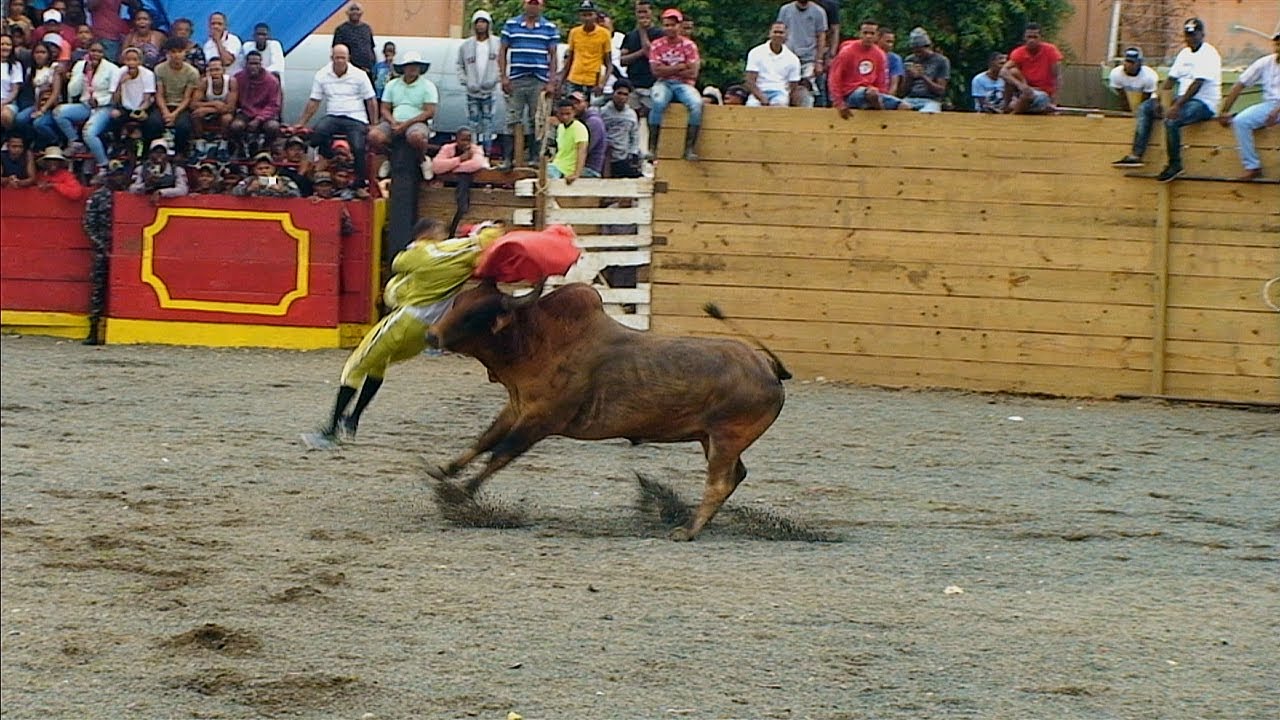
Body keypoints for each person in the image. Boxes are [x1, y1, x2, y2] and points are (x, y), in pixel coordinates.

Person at [302, 218, 504, 449]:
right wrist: (481, 232)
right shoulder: (462, 254)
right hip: (426, 331)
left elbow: (399, 263)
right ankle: (353, 417)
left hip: (406, 320)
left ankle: (330, 431)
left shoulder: (423, 252)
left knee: (355, 366)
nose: (444, 234)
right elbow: (483, 241)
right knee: (379, 363)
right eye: (441, 231)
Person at [1112, 18, 1221, 182]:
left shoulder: (1209, 54)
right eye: (1187, 35)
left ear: (1202, 34)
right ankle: (1136, 155)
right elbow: (1170, 80)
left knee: (1172, 120)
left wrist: (1176, 106)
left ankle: (1175, 164)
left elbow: (1197, 84)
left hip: (1204, 103)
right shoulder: (1184, 54)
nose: (1190, 38)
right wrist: (1157, 98)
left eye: (1194, 34)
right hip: (1183, 100)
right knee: (1145, 108)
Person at [292, 44, 377, 191]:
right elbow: (314, 101)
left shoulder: (360, 75)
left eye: (343, 58)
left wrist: (373, 123)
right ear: (331, 58)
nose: (340, 61)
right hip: (333, 115)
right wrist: (301, 122)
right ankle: (314, 165)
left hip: (356, 117)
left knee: (358, 146)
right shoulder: (322, 74)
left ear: (348, 58)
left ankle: (360, 180)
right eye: (337, 58)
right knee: (317, 133)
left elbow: (371, 100)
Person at [497, 0, 559, 170]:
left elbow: (553, 56)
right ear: (524, 5)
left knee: (536, 119)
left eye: (536, 4)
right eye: (530, 3)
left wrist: (551, 81)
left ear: (541, 6)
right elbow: (502, 51)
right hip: (516, 78)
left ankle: (534, 158)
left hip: (538, 79)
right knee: (512, 118)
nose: (533, 6)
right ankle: (508, 158)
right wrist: (503, 77)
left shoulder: (549, 27)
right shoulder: (511, 25)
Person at [1217, 33, 1280, 182]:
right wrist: (1224, 110)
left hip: (1276, 108)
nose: (1279, 48)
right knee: (1241, 121)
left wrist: (1277, 111)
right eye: (1277, 44)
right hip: (1270, 104)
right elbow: (1240, 84)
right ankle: (1253, 166)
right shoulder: (1265, 62)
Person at [81, 157, 130, 345]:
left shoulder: (130, 196)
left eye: (120, 175)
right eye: (114, 175)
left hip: (125, 252)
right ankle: (93, 329)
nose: (117, 178)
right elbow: (88, 224)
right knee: (98, 289)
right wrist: (102, 246)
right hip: (103, 249)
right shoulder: (97, 197)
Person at [368, 49, 437, 180]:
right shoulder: (392, 85)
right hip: (394, 121)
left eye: (416, 65)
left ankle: (423, 160)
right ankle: (389, 158)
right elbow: (384, 108)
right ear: (404, 68)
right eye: (410, 65)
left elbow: (430, 112)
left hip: (417, 122)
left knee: (416, 137)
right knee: (373, 136)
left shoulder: (428, 86)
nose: (413, 68)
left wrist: (405, 124)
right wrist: (392, 121)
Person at [647, 7, 702, 161]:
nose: (670, 28)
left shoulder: (689, 45)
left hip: (684, 84)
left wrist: (666, 69)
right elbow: (655, 72)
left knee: (696, 104)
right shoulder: (656, 44)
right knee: (658, 102)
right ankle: (653, 147)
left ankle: (689, 148)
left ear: (679, 25)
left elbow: (693, 72)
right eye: (667, 25)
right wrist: (680, 67)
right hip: (663, 83)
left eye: (673, 24)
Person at [53, 40, 117, 167]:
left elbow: (115, 94)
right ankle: (75, 142)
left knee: (88, 132)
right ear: (88, 52)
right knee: (58, 112)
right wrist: (83, 74)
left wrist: (99, 101)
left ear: (104, 53)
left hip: (104, 107)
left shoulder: (112, 69)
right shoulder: (80, 65)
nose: (95, 54)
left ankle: (103, 164)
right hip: (85, 106)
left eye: (99, 52)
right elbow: (73, 91)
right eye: (93, 51)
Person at [828, 18, 894, 115]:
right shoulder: (847, 52)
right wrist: (838, 102)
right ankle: (882, 114)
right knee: (872, 93)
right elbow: (834, 78)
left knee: (905, 106)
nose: (868, 36)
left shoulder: (880, 55)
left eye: (872, 33)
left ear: (877, 36)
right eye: (865, 33)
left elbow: (882, 82)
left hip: (874, 95)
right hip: (850, 93)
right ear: (860, 34)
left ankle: (877, 110)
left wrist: (883, 96)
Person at [431, 126, 489, 235]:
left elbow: (475, 164)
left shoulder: (475, 149)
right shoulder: (447, 148)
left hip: (469, 184)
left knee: (464, 176)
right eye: (463, 140)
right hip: (449, 186)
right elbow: (436, 166)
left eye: (468, 140)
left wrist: (451, 169)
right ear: (456, 139)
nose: (466, 143)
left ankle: (462, 210)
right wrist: (460, 159)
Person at [619, 1, 663, 145]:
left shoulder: (659, 34)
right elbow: (622, 60)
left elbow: (651, 53)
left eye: (645, 12)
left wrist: (643, 32)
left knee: (653, 120)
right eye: (639, 12)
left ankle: (652, 149)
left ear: (652, 13)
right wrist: (640, 53)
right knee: (630, 120)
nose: (642, 15)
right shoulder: (630, 36)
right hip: (633, 84)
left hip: (652, 83)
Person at [457, 10, 500, 155]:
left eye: (484, 22)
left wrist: (495, 79)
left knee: (488, 123)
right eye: (478, 22)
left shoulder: (497, 43)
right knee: (472, 123)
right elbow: (459, 65)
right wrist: (466, 81)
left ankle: (487, 153)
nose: (481, 25)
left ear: (489, 25)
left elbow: (504, 63)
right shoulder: (466, 46)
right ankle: (473, 152)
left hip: (490, 90)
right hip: (472, 91)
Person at [775, 0, 827, 108]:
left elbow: (821, 36)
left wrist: (819, 61)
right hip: (788, 58)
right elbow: (780, 32)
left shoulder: (819, 12)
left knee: (807, 89)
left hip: (808, 59)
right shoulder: (785, 10)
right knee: (784, 88)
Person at [1002, 23, 1061, 114]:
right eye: (1029, 37)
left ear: (1041, 38)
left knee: (1028, 96)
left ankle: (1013, 113)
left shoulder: (1051, 50)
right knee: (1012, 71)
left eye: (1035, 37)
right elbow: (1003, 71)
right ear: (1024, 38)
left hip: (1042, 93)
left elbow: (1057, 77)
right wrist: (1020, 85)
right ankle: (1006, 107)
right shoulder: (1019, 52)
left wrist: (1054, 101)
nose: (1031, 40)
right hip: (1025, 90)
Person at [153, 36, 199, 155]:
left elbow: (187, 97)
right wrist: (165, 112)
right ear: (168, 53)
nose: (176, 55)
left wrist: (174, 114)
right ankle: (155, 153)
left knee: (183, 126)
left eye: (180, 51)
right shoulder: (159, 69)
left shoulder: (192, 72)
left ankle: (180, 154)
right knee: (153, 123)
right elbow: (159, 94)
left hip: (181, 107)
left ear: (185, 52)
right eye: (173, 52)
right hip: (164, 105)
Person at [14, 40, 62, 147]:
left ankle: (55, 140)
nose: (39, 55)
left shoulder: (54, 68)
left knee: (38, 123)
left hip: (51, 106)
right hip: (37, 104)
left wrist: (43, 110)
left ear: (48, 54)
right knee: (20, 119)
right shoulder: (31, 70)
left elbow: (55, 93)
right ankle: (32, 140)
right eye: (37, 52)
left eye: (43, 52)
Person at [562, 0, 611, 102]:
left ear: (595, 15)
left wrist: (602, 84)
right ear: (580, 16)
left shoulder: (604, 34)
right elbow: (570, 59)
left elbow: (609, 64)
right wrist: (562, 80)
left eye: (590, 14)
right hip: (574, 78)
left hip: (593, 81)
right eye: (584, 15)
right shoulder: (574, 32)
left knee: (590, 109)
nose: (587, 18)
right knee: (572, 107)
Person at [229, 50, 281, 145]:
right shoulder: (238, 78)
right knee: (236, 126)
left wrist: (259, 119)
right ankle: (240, 146)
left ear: (261, 64)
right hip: (244, 113)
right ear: (246, 64)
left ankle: (266, 146)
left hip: (266, 115)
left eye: (256, 64)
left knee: (273, 127)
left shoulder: (272, 81)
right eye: (251, 63)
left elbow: (273, 105)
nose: (254, 67)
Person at [108, 46, 159, 144]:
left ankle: (145, 147)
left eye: (135, 60)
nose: (131, 63)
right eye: (128, 60)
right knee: (114, 115)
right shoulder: (118, 73)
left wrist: (139, 111)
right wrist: (120, 83)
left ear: (140, 61)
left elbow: (147, 100)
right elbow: (115, 100)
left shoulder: (148, 74)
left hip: (142, 107)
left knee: (151, 121)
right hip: (125, 107)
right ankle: (117, 144)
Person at [744, 21, 800, 107]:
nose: (778, 35)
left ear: (786, 35)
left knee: (779, 104)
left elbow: (793, 86)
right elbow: (749, 80)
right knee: (752, 105)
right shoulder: (755, 52)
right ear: (769, 34)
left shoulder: (793, 59)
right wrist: (762, 98)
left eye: (781, 33)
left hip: (780, 93)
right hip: (758, 92)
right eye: (775, 32)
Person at [896, 27, 948, 113]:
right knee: (899, 108)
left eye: (920, 51)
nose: (918, 55)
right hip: (910, 98)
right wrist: (909, 77)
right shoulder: (910, 59)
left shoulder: (941, 61)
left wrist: (923, 76)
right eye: (915, 51)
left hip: (931, 100)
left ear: (928, 47)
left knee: (927, 113)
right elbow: (902, 92)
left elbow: (941, 90)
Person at [190, 55, 235, 140]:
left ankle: (223, 141)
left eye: (217, 70)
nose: (214, 73)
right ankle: (200, 140)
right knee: (196, 114)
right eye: (211, 70)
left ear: (223, 70)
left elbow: (230, 108)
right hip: (211, 109)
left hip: (224, 112)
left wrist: (208, 109)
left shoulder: (231, 82)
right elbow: (193, 104)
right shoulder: (204, 82)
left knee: (227, 118)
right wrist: (215, 104)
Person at [600, 79, 639, 177]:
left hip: (623, 156)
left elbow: (634, 136)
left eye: (625, 94)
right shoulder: (603, 112)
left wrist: (633, 153)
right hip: (606, 157)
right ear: (613, 93)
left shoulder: (631, 114)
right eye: (619, 93)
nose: (621, 97)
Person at [548, 96, 591, 182]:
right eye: (562, 114)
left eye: (568, 114)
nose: (565, 117)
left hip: (567, 170)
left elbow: (582, 152)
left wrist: (576, 174)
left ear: (574, 113)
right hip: (556, 166)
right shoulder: (560, 127)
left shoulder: (579, 128)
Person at [1108, 47, 1158, 113]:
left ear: (1139, 63)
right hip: (1128, 101)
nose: (1128, 65)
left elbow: (1146, 99)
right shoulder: (1116, 73)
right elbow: (1122, 97)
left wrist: (1139, 113)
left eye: (1132, 62)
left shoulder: (1149, 76)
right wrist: (1128, 112)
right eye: (1127, 61)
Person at [231, 151, 300, 197]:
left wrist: (282, 190)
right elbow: (233, 192)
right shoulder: (249, 180)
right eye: (260, 168)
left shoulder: (284, 180)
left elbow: (297, 195)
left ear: (274, 168)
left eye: (267, 168)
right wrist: (249, 189)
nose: (264, 171)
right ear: (254, 170)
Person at [331, 2, 375, 75]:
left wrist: (372, 63)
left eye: (357, 9)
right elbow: (337, 51)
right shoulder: (341, 29)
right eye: (352, 9)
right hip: (349, 71)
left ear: (361, 12)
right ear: (347, 13)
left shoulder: (367, 28)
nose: (355, 12)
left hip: (367, 70)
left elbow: (371, 48)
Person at [569, 89, 605, 176]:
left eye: (577, 103)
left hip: (589, 169)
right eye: (571, 104)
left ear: (586, 104)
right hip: (573, 165)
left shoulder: (593, 122)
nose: (574, 106)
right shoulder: (576, 121)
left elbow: (585, 149)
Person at [1, 35, 22, 134]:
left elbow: (15, 91)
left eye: (8, 44)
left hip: (8, 102)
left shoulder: (16, 65)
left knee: (5, 115)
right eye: (2, 44)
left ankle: (8, 137)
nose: (5, 47)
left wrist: (2, 103)